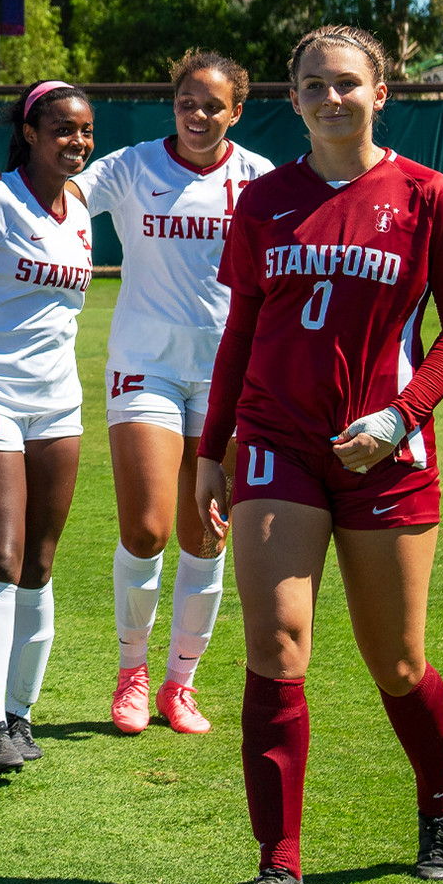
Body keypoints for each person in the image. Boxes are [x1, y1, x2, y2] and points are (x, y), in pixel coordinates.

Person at [194, 26, 443, 884]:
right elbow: (241, 333)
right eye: (315, 86)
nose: (333, 99)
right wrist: (212, 451)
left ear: (380, 92)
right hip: (277, 445)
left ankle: (440, 807)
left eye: (348, 84)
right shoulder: (262, 202)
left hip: (387, 456)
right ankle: (278, 866)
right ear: (293, 99)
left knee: (397, 662)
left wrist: (402, 419)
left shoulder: (425, 194)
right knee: (276, 644)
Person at [69, 51, 274, 736]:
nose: (198, 115)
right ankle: (131, 672)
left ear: (235, 112)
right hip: (144, 366)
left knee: (206, 534)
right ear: (174, 104)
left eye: (213, 105)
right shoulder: (131, 168)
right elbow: (59, 198)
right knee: (148, 528)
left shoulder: (259, 180)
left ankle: (180, 684)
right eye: (188, 102)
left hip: (227, 376)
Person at [0, 80, 95, 778]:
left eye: (86, 131)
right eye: (63, 129)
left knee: (39, 562)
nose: (77, 141)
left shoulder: (84, 207)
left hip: (58, 404)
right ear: (30, 133)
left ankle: (24, 714)